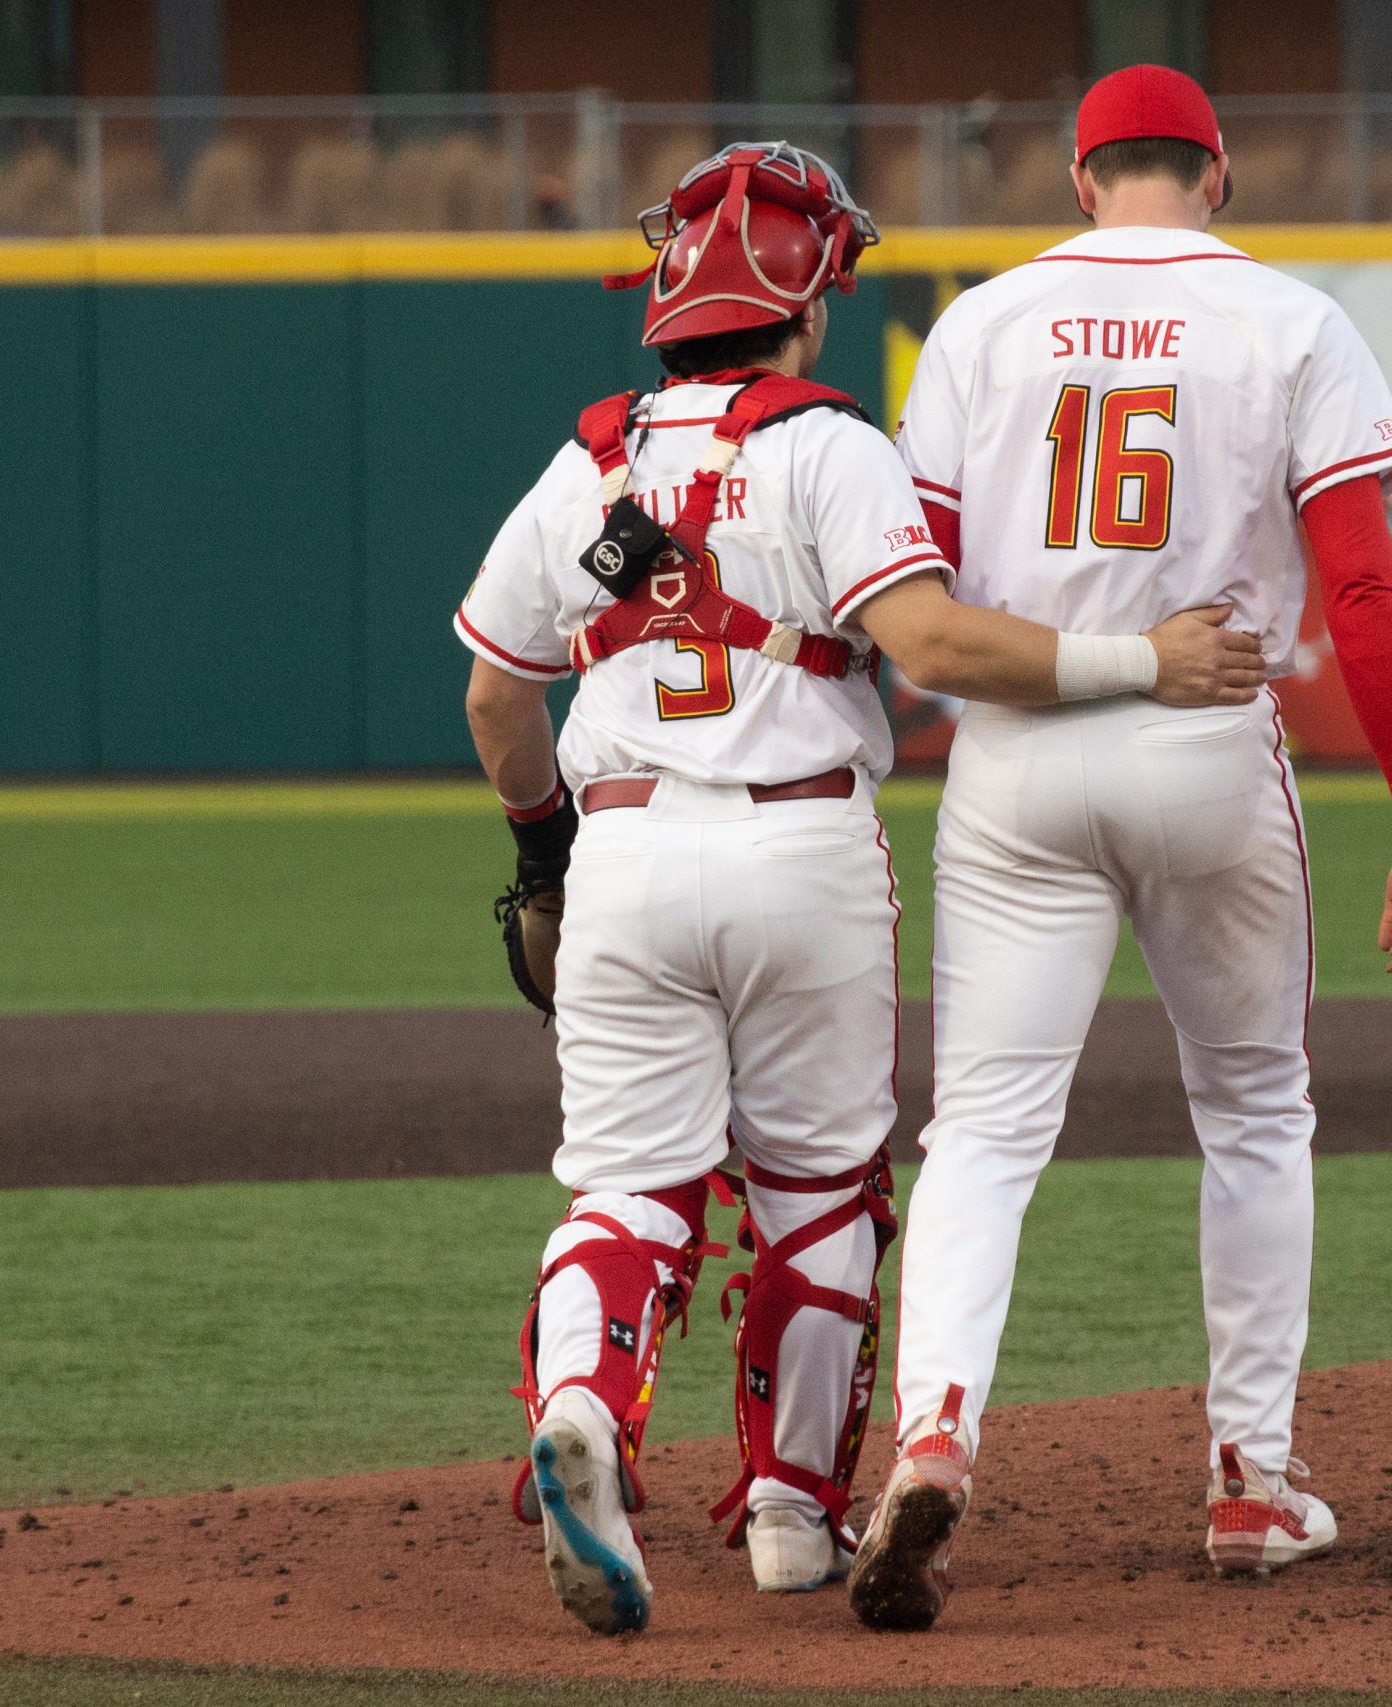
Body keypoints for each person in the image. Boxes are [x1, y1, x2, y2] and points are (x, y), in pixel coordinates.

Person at [454, 140, 1263, 1637]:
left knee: (624, 1188)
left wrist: (545, 849)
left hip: (624, 843)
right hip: (800, 845)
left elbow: (498, 698)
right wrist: (1149, 659)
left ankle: (581, 1400)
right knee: (822, 1188)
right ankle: (790, 1517)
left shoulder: (589, 460)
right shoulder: (828, 443)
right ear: (810, 298)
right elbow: (938, 648)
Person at [847, 66, 1392, 1633]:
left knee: (982, 1130)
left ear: (1078, 178)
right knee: (1255, 1104)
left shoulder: (980, 324)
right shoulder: (1290, 320)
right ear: (1219, 174)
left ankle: (934, 1429)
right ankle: (1251, 1477)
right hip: (1206, 745)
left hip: (1019, 758)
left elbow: (911, 607)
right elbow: (1368, 592)